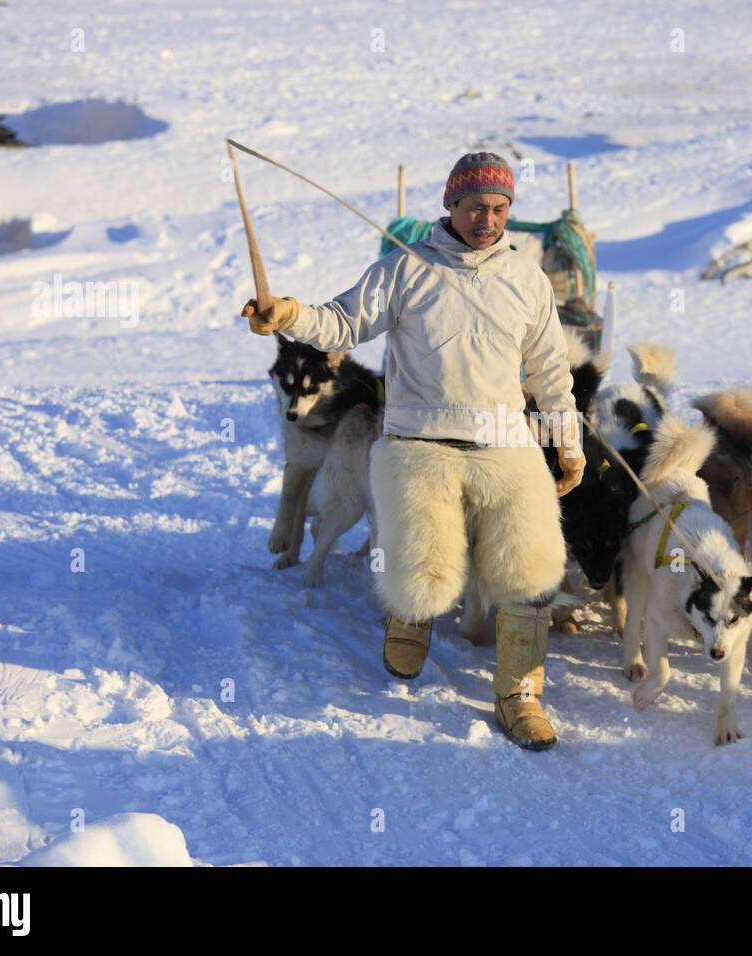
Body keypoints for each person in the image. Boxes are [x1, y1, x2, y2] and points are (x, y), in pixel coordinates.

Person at [241, 152, 584, 750]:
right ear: (450, 204)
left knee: (532, 565)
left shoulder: (526, 278)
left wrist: (568, 445)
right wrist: (290, 314)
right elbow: (343, 324)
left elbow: (552, 369)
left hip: (503, 439)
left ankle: (521, 693)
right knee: (423, 567)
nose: (488, 219)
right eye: (476, 206)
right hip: (419, 439)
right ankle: (409, 615)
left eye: (501, 208)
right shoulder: (406, 269)